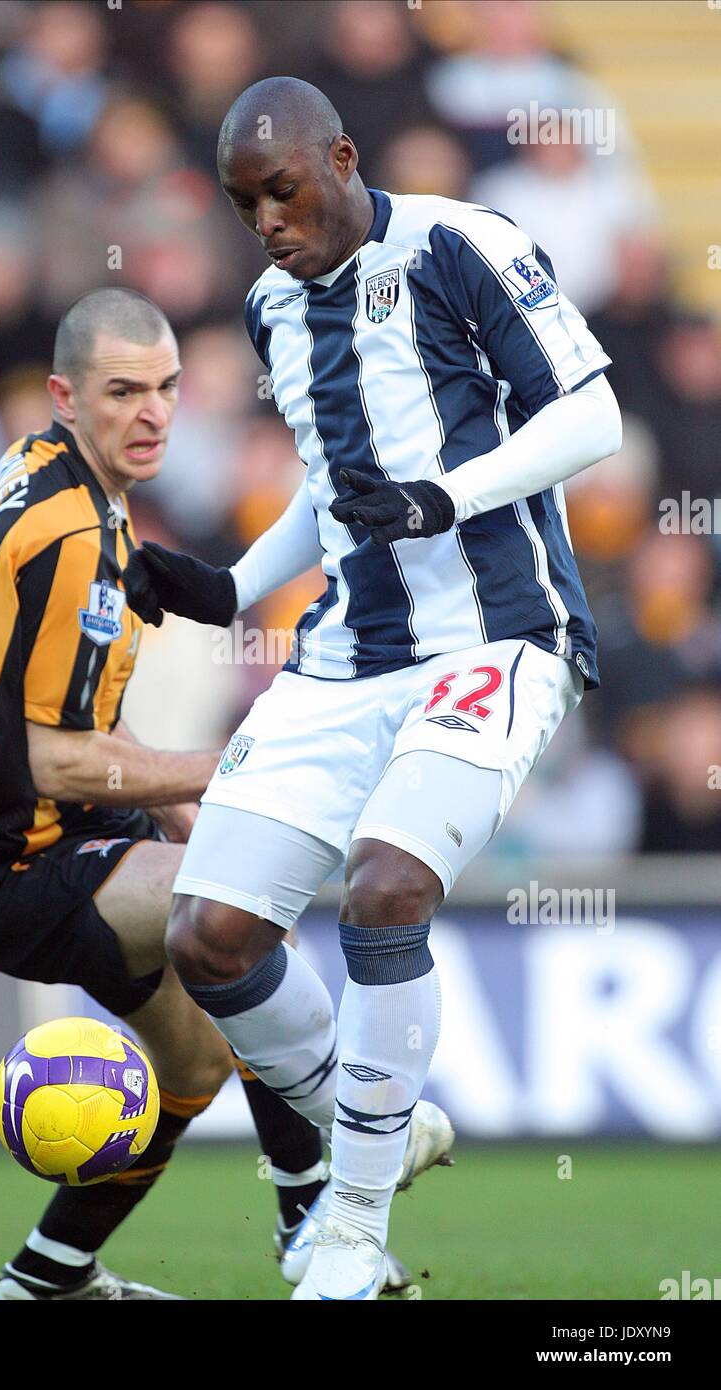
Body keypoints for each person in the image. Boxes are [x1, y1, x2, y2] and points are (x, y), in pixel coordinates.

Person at [123, 77, 623, 1301]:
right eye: (246, 206)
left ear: (341, 157)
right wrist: (233, 586)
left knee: (386, 889)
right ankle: (386, 1119)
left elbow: (593, 415)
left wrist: (446, 498)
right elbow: (331, 483)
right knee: (209, 934)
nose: (269, 224)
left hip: (497, 638)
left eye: (284, 191)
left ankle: (346, 1231)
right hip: (348, 651)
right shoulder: (266, 309)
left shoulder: (461, 244)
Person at [0, 286, 410, 1301]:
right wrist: (212, 774)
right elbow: (40, 757)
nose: (153, 412)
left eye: (167, 388)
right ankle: (313, 1211)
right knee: (237, 912)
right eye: (122, 390)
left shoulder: (61, 488)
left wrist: (172, 800)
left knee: (196, 1064)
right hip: (1, 855)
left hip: (50, 831)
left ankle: (47, 1279)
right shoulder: (73, 532)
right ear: (64, 394)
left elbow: (72, 716)